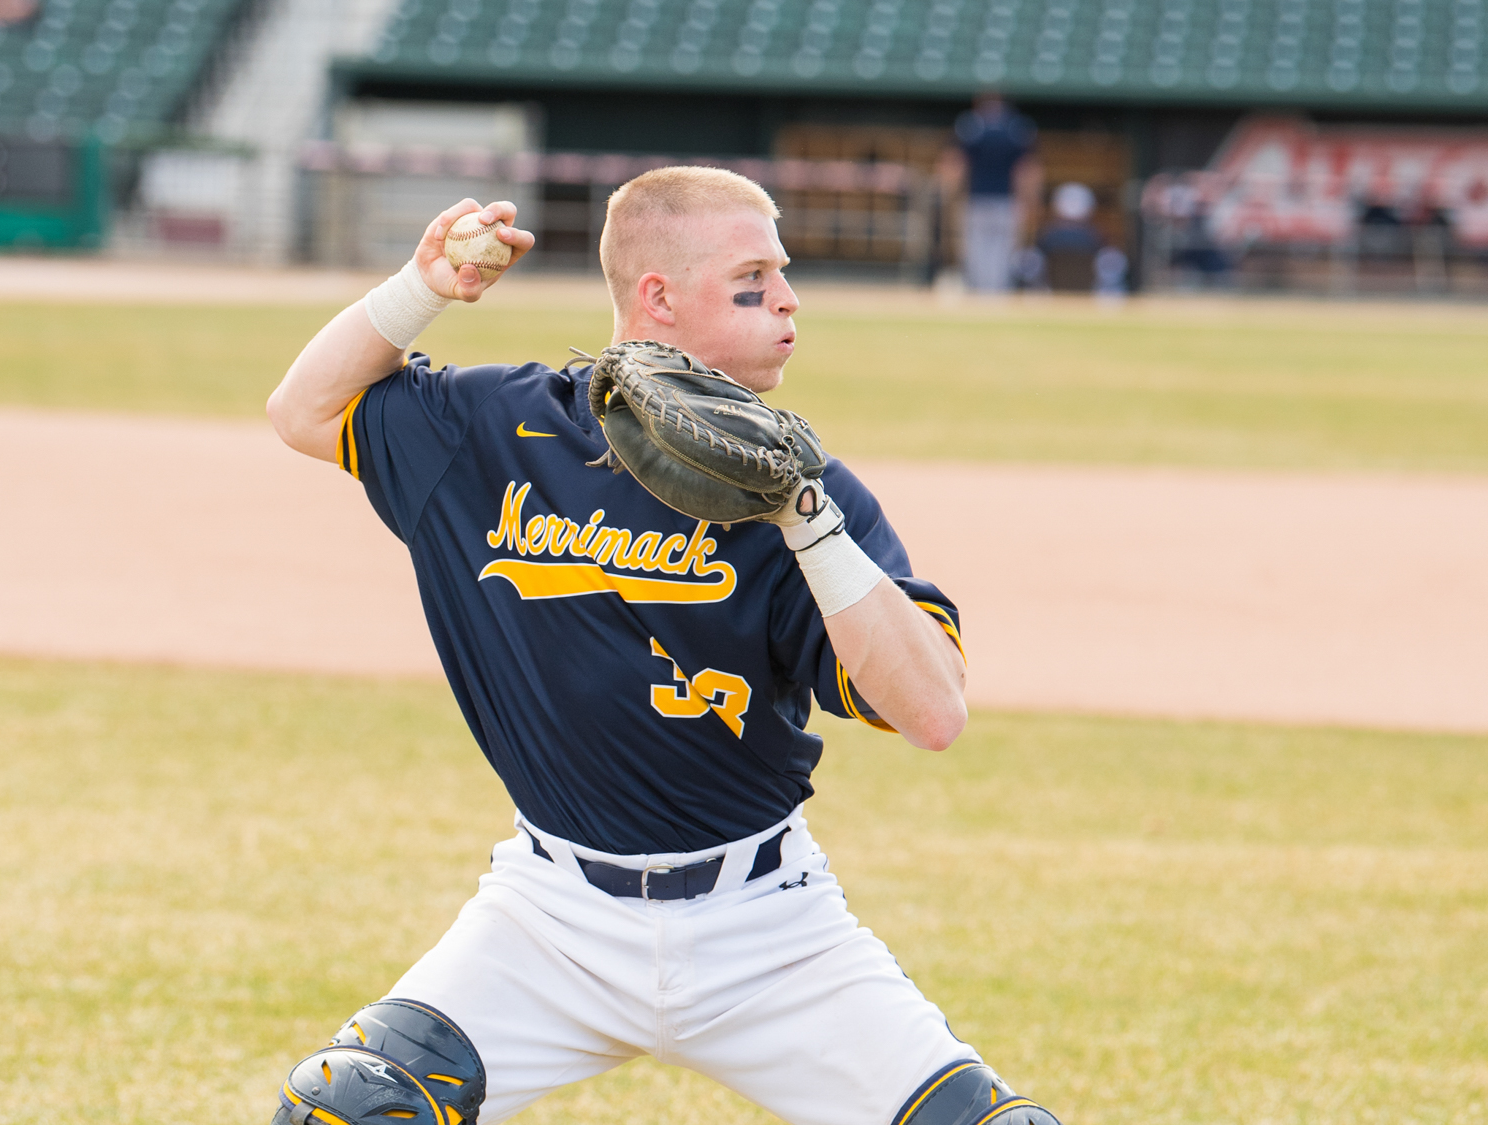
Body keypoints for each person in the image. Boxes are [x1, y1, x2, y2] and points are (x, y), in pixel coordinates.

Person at [263, 168, 1061, 1125]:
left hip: (769, 928)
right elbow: (301, 410)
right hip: (549, 921)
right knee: (347, 1108)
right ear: (660, 300)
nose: (790, 300)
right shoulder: (490, 435)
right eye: (754, 280)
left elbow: (932, 712)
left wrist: (805, 518)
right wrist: (422, 290)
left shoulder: (805, 494)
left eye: (782, 275)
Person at [940, 92, 1042, 293]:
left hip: (981, 200)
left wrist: (950, 194)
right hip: (1000, 201)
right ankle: (995, 296)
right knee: (999, 253)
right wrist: (1029, 199)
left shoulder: (971, 126)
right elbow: (1026, 170)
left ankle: (982, 296)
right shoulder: (1015, 127)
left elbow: (956, 165)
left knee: (979, 252)